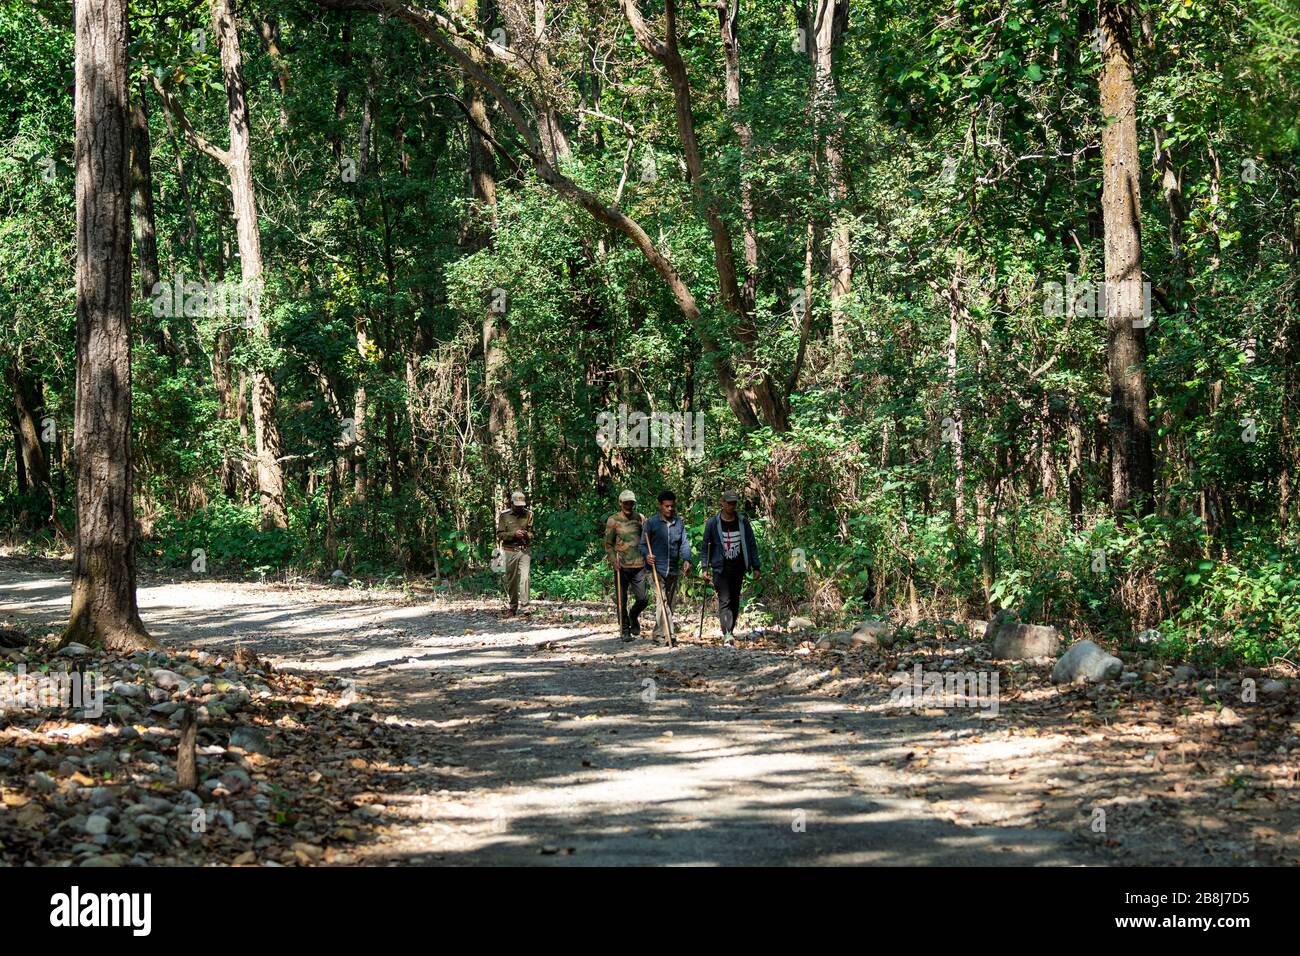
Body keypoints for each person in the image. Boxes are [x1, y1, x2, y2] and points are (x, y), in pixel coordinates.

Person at [701, 491, 760, 644]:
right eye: (729, 502)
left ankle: (731, 630)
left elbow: (751, 544)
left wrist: (756, 566)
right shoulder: (713, 523)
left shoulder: (742, 522)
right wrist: (704, 568)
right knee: (724, 599)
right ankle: (726, 632)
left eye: (734, 503)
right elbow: (705, 546)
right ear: (722, 502)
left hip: (738, 567)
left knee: (734, 599)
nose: (731, 506)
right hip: (720, 567)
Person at [640, 489, 692, 645]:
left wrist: (687, 558)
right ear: (660, 506)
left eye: (672, 506)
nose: (670, 509)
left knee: (666, 603)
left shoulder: (679, 523)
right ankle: (669, 635)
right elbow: (642, 545)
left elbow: (684, 543)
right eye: (667, 506)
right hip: (655, 570)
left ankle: (657, 633)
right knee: (661, 600)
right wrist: (647, 556)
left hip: (673, 569)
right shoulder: (651, 523)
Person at [605, 490, 648, 641]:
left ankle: (633, 616)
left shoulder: (640, 518)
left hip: (639, 564)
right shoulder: (613, 520)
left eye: (631, 503)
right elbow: (609, 544)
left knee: (643, 599)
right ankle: (625, 630)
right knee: (621, 600)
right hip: (621, 565)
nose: (629, 505)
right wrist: (613, 560)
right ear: (620, 503)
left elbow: (646, 538)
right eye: (626, 502)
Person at [496, 491, 533, 616]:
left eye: (521, 505)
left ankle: (526, 606)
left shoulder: (529, 514)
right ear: (512, 503)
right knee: (511, 580)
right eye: (517, 505)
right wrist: (513, 534)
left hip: (524, 550)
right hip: (509, 551)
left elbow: (533, 533)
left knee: (525, 577)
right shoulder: (504, 515)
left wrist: (527, 534)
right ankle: (512, 607)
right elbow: (500, 534)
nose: (519, 508)